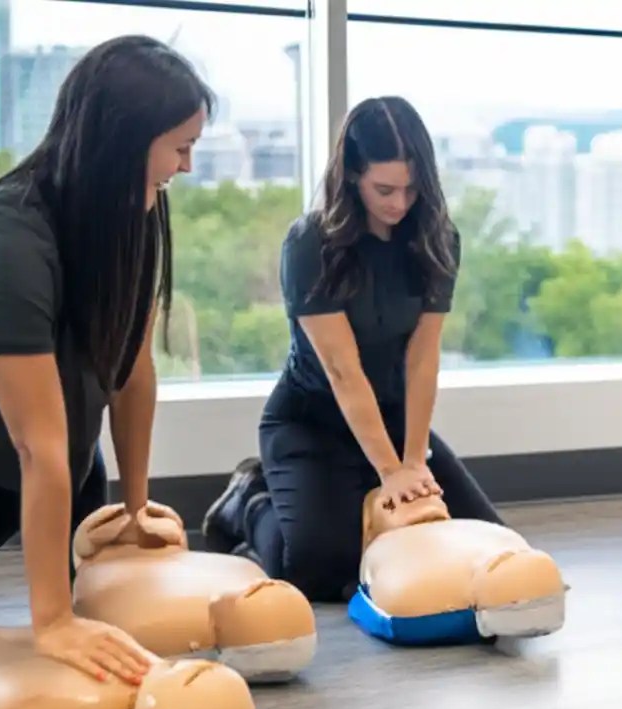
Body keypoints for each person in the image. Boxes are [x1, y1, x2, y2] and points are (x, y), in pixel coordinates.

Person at [0, 35, 211, 682]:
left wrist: (135, 511)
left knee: (98, 651)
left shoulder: (134, 212)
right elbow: (34, 443)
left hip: (68, 466)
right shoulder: (5, 237)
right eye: (180, 147)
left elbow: (131, 370)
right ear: (124, 141)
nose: (186, 166)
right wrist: (50, 622)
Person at [201, 96, 502, 602]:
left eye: (411, 189)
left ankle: (370, 489)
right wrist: (390, 474)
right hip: (311, 424)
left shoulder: (436, 239)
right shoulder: (310, 243)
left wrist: (413, 464)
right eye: (384, 189)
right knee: (318, 570)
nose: (399, 203)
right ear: (351, 177)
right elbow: (343, 371)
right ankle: (249, 500)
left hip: (394, 419)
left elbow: (423, 358)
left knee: (488, 542)